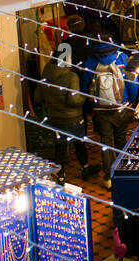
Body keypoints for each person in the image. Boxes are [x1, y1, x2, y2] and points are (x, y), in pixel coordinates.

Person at [81, 34, 139, 189]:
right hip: (120, 107)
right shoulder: (122, 58)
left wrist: (89, 107)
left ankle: (109, 177)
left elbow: (85, 85)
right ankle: (122, 172)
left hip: (100, 109)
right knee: (120, 138)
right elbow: (132, 82)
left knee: (105, 141)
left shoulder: (91, 60)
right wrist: (131, 101)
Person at [37, 52, 100, 180]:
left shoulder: (45, 75)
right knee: (79, 142)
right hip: (72, 118)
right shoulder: (71, 76)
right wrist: (85, 97)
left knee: (60, 145)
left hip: (53, 118)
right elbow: (74, 100)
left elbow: (37, 97)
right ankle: (85, 168)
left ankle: (60, 175)